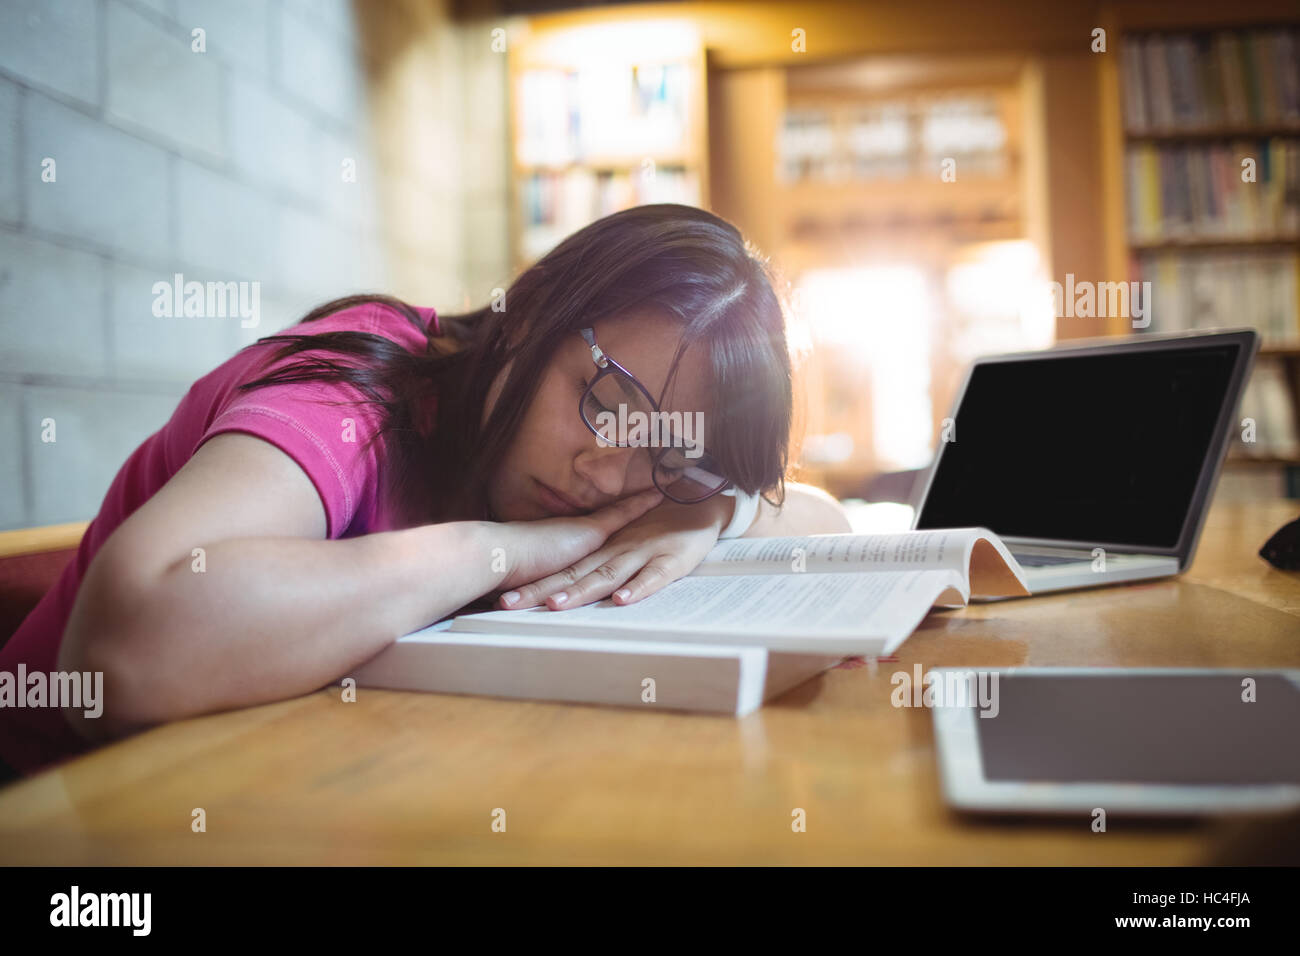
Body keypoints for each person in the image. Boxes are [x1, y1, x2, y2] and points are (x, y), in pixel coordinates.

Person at [0, 203, 849, 779]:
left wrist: (710, 512)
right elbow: (128, 651)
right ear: (537, 306)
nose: (606, 474)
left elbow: (832, 529)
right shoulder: (361, 389)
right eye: (607, 403)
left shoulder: (635, 480)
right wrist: (501, 551)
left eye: (669, 456)